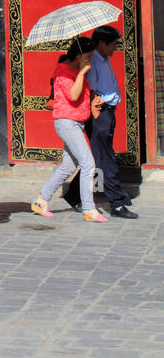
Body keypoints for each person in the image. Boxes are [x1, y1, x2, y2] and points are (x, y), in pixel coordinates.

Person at [62, 26, 136, 219]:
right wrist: (96, 104)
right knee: (106, 159)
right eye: (113, 44)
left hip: (108, 112)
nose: (115, 48)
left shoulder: (104, 59)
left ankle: (73, 194)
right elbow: (91, 90)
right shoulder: (93, 61)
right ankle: (117, 203)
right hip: (99, 114)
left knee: (98, 156)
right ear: (102, 43)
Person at [32, 37, 108, 223]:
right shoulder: (63, 71)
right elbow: (73, 95)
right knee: (88, 163)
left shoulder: (76, 70)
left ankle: (41, 200)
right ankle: (89, 208)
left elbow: (83, 93)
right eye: (88, 56)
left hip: (76, 122)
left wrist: (95, 99)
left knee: (68, 166)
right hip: (67, 122)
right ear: (79, 55)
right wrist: (82, 72)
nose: (90, 60)